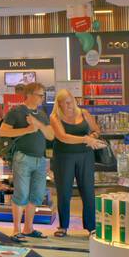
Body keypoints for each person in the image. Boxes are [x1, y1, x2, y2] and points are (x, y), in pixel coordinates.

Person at [0, 82, 54, 240]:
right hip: (22, 157)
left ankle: (28, 228)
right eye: (40, 94)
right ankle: (16, 230)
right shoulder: (16, 111)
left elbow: (50, 135)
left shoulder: (42, 113)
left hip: (40, 159)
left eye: (43, 95)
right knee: (21, 193)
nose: (42, 98)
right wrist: (27, 129)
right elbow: (3, 131)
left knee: (36, 195)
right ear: (29, 94)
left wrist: (37, 124)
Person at [50, 88, 106, 237]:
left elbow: (96, 130)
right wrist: (85, 139)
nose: (69, 105)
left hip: (85, 155)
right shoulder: (55, 117)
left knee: (88, 190)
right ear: (59, 104)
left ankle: (91, 226)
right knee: (64, 191)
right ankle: (63, 226)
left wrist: (92, 137)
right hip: (64, 156)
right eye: (66, 103)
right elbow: (63, 137)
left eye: (71, 102)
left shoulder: (84, 113)